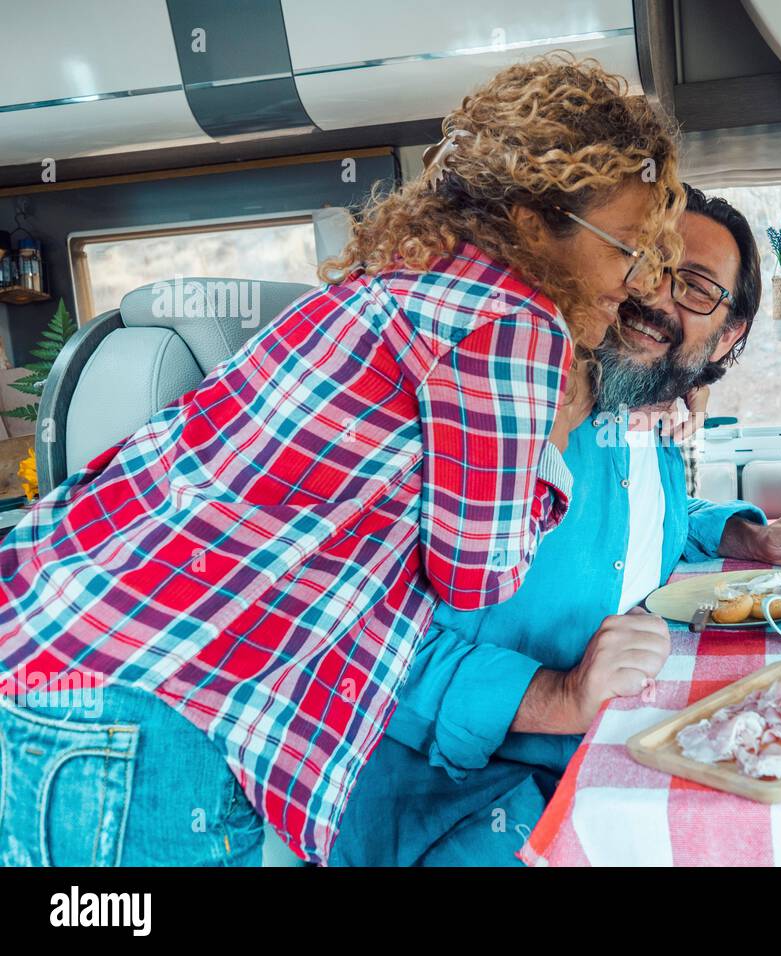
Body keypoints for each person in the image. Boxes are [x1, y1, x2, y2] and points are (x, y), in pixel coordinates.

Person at [0, 55, 685, 866]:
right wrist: (557, 439)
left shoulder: (398, 283)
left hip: (60, 657)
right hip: (147, 707)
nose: (638, 282)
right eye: (627, 249)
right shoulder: (514, 322)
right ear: (537, 221)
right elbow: (479, 574)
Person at [332, 185, 781, 866]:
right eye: (651, 263)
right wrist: (555, 698)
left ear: (730, 332)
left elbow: (639, 529)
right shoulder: (501, 398)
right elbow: (352, 643)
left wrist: (742, 534)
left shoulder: (640, 405)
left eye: (694, 286)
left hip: (601, 762)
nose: (657, 295)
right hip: (456, 804)